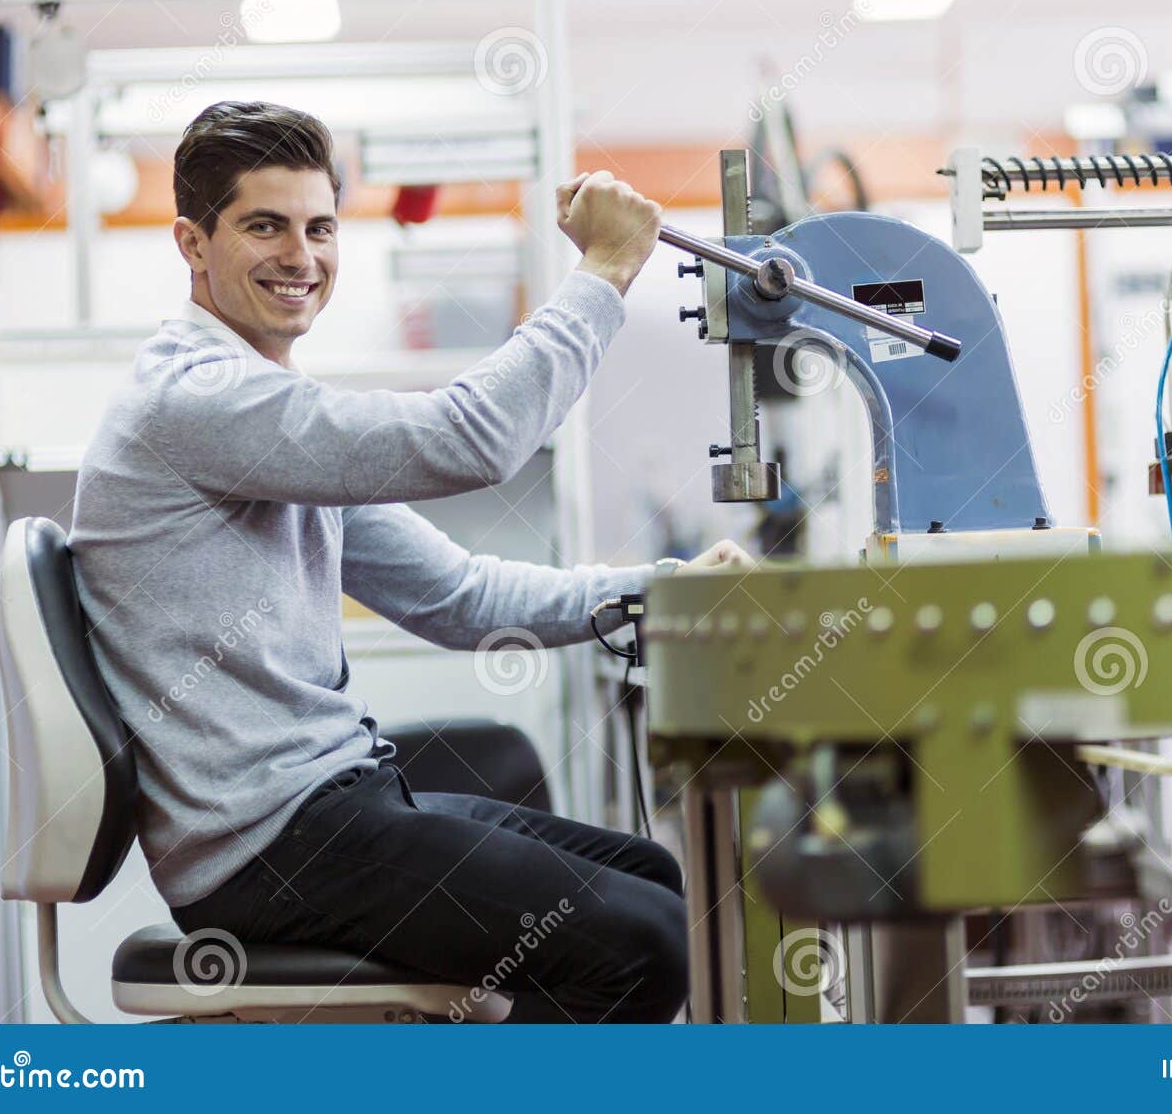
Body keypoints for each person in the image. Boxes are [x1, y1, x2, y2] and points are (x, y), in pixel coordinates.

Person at [69, 100, 750, 1022]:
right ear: (192, 241)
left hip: (331, 801)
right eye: (263, 226)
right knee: (646, 946)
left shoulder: (264, 404)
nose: (300, 257)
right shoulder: (200, 400)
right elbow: (470, 439)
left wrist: (661, 594)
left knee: (652, 872)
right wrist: (603, 272)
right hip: (268, 844)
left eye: (318, 227)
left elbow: (457, 596)